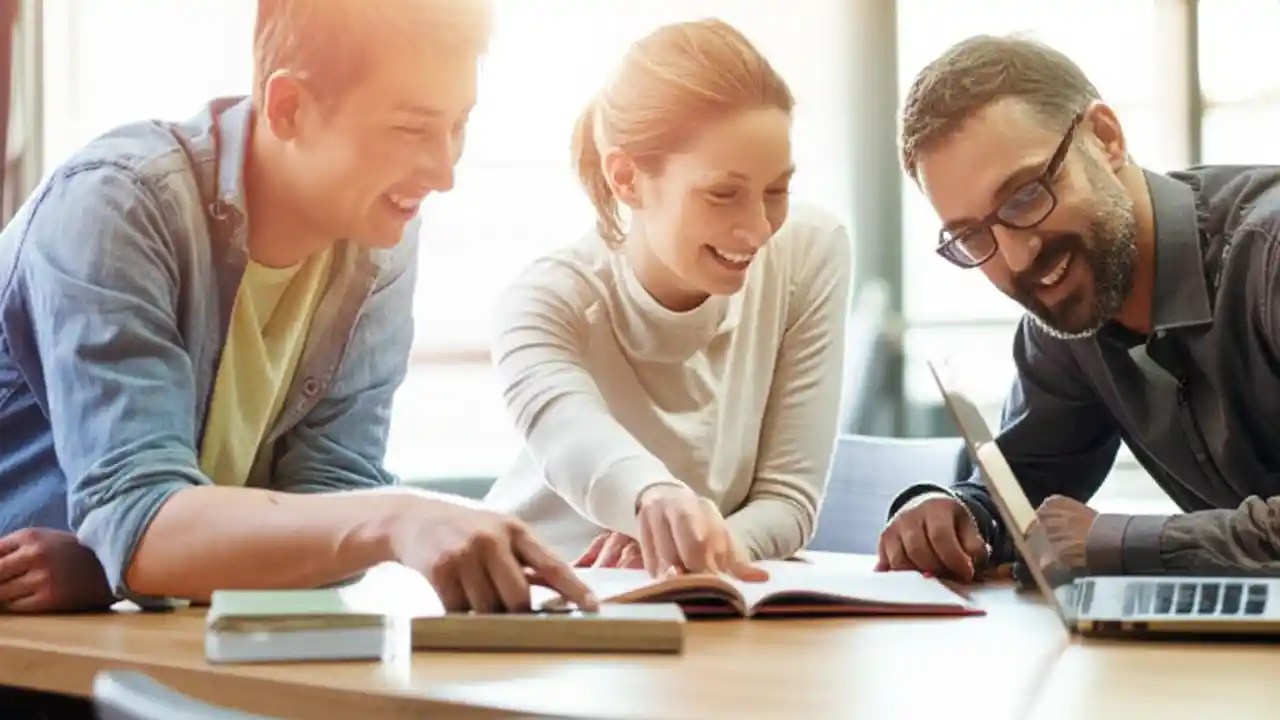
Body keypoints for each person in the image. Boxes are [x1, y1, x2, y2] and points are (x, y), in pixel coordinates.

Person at [0, 0, 593, 615]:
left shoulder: (379, 243)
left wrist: (125, 565)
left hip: (138, 637)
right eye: (412, 130)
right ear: (288, 108)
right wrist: (394, 519)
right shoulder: (117, 205)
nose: (444, 172)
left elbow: (330, 507)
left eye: (459, 126)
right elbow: (143, 523)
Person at [878, 34, 1280, 582]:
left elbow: (1085, 540)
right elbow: (1029, 484)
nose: (1019, 257)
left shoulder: (1268, 256)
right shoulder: (1069, 315)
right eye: (973, 236)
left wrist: (1116, 541)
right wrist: (959, 515)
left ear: (1106, 139)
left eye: (1025, 196)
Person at [483, 18, 852, 579]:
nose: (757, 229)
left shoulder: (809, 253)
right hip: (544, 592)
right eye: (723, 194)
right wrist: (653, 504)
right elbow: (575, 442)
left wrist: (695, 547)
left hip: (699, 595)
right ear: (627, 178)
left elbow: (788, 501)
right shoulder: (544, 302)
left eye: (776, 191)